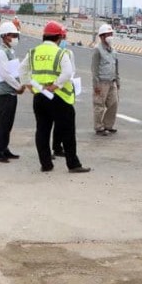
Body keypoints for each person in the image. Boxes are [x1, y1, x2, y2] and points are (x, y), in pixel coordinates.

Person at [19, 21, 90, 174]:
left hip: (40, 97)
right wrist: (55, 85)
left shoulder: (33, 52)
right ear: (59, 37)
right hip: (59, 97)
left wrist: (29, 86)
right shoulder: (61, 53)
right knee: (68, 132)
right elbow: (67, 73)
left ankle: (46, 164)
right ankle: (73, 164)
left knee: (42, 130)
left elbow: (22, 69)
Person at [0, 21, 25, 162]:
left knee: (8, 123)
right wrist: (18, 87)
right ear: (5, 36)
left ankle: (5, 149)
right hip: (4, 92)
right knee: (2, 123)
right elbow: (5, 74)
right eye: (13, 35)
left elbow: (14, 71)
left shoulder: (9, 51)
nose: (15, 38)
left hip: (10, 92)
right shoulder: (1, 52)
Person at [91, 24, 120, 136]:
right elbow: (94, 69)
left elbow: (116, 66)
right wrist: (96, 85)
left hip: (111, 81)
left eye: (111, 34)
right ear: (102, 37)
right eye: (108, 34)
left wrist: (117, 81)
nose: (110, 36)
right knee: (99, 105)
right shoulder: (97, 50)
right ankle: (99, 127)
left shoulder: (113, 50)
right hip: (101, 82)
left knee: (114, 103)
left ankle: (108, 125)